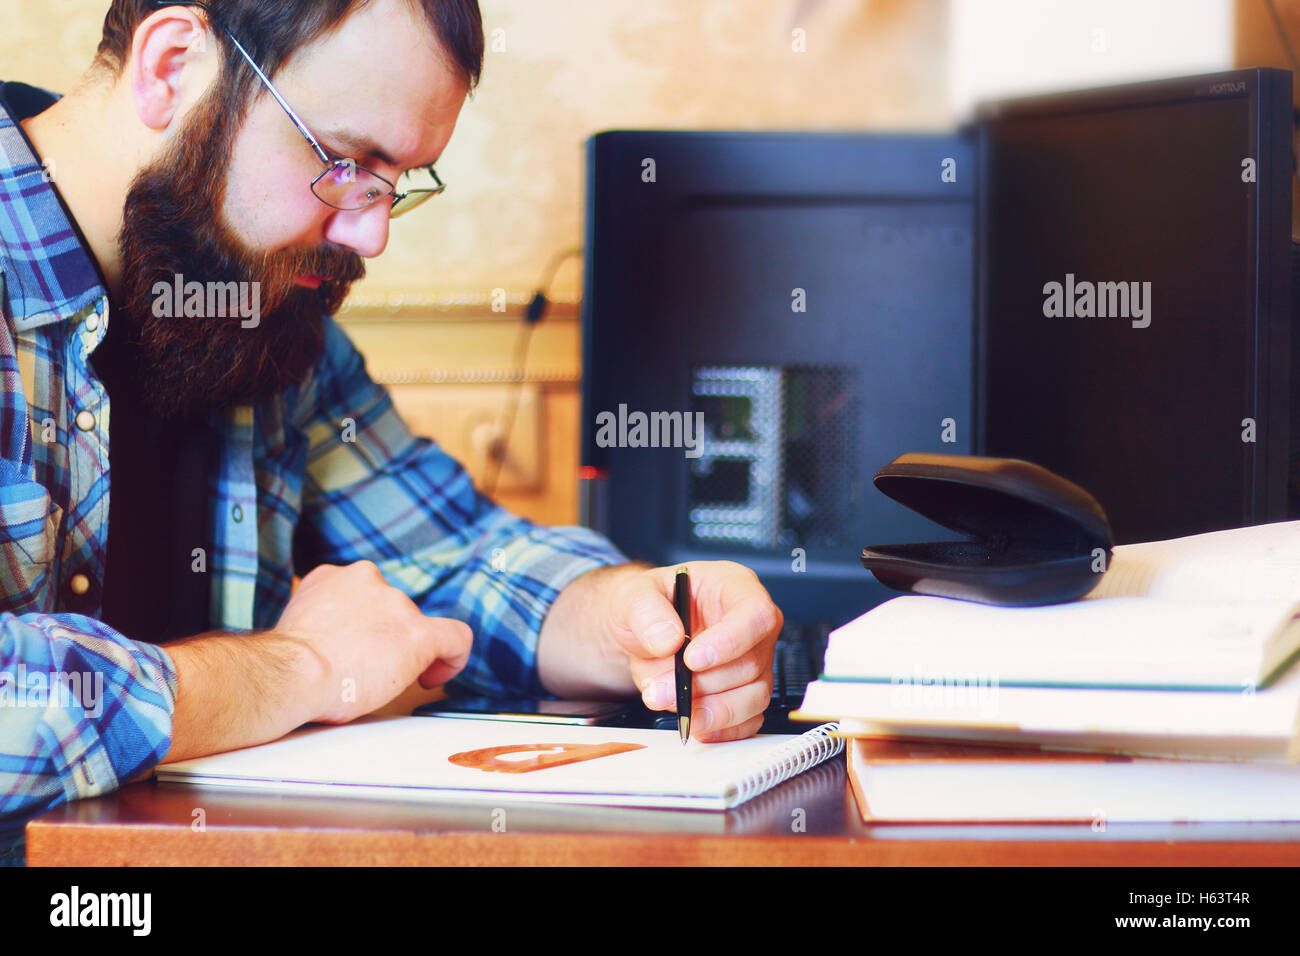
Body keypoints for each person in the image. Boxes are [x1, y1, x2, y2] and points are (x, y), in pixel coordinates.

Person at [0, 0, 781, 863]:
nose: (368, 234)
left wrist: (630, 618)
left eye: (392, 184)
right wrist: (295, 668)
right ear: (172, 66)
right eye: (342, 161)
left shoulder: (267, 315)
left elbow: (450, 556)